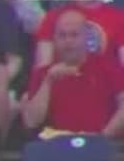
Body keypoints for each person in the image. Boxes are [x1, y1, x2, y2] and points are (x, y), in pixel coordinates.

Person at [20, 10, 124, 140]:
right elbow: (31, 121)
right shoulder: (43, 73)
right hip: (58, 145)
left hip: (102, 143)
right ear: (54, 39)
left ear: (86, 37)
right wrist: (48, 82)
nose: (68, 41)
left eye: (74, 35)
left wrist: (102, 138)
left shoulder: (108, 67)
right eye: (62, 35)